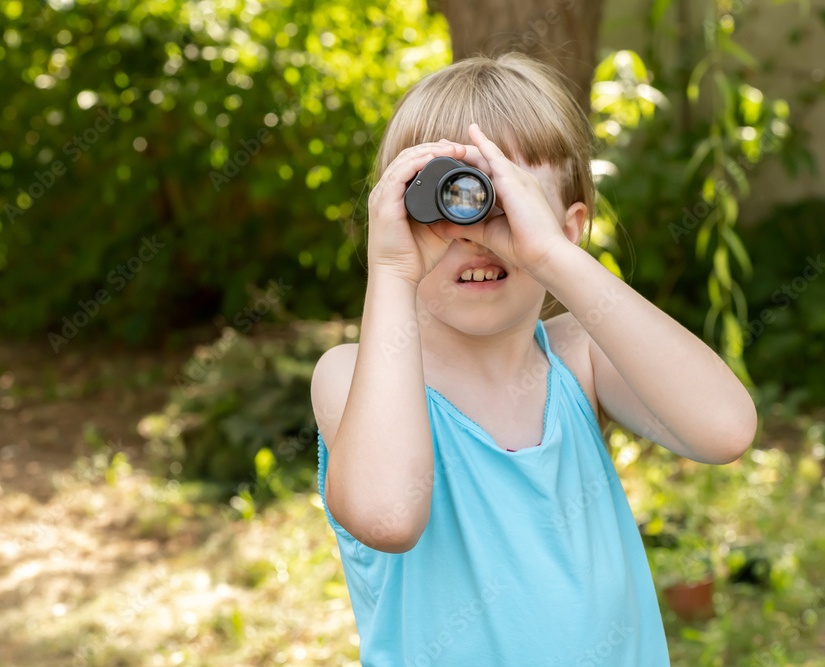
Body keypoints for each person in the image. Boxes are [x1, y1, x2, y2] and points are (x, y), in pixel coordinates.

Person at [309, 52, 757, 666]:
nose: (471, 228)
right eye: (443, 198)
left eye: (505, 201)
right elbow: (388, 515)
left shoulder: (580, 355)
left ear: (570, 227)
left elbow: (725, 430)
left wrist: (548, 253)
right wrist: (390, 268)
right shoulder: (353, 376)